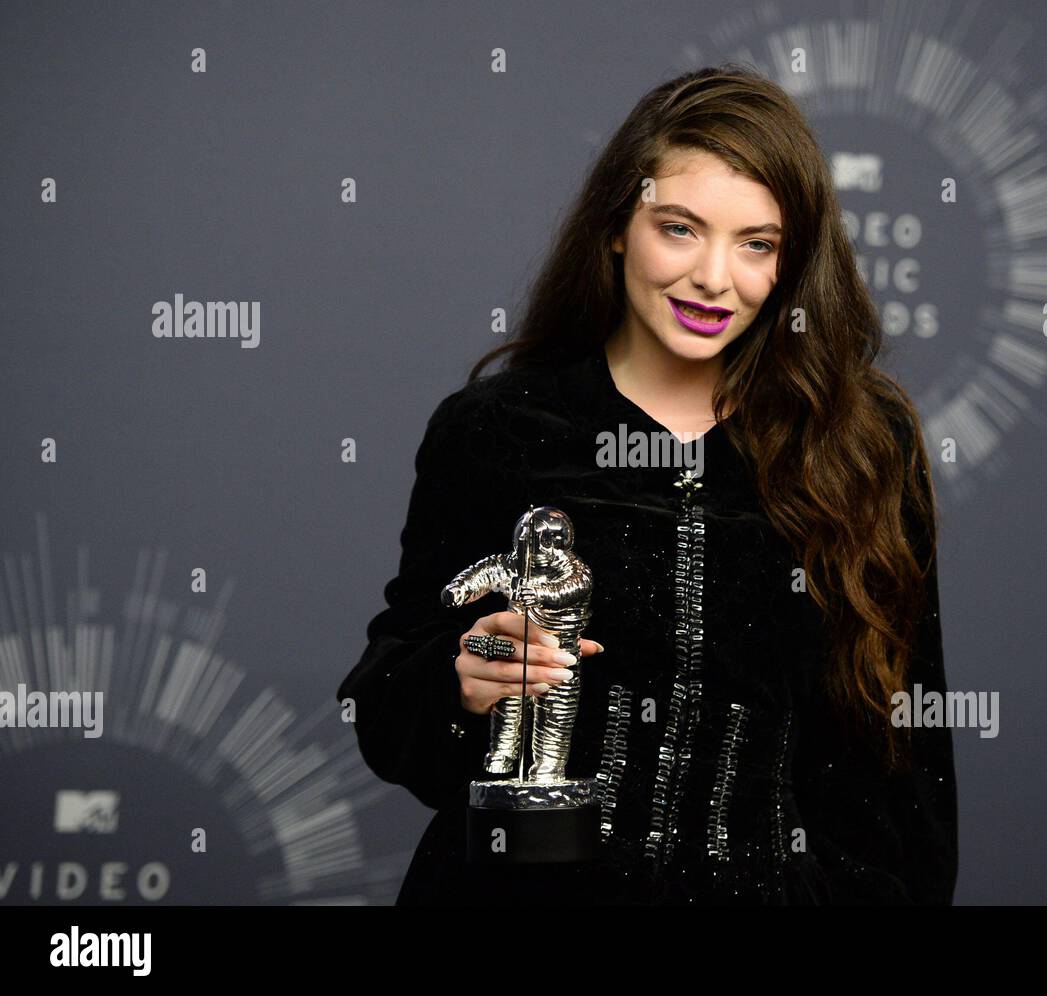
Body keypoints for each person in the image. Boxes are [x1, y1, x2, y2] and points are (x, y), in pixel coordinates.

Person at [337, 64, 958, 905]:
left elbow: (905, 782)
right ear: (618, 227)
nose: (713, 278)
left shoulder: (858, 445)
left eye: (757, 244)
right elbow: (385, 715)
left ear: (792, 262)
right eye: (680, 228)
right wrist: (460, 680)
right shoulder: (497, 429)